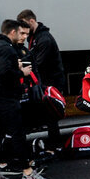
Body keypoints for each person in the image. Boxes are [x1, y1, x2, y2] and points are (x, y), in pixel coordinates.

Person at [0, 19, 50, 179]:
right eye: (20, 33)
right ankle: (27, 172)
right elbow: (5, 72)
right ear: (12, 32)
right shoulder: (8, 49)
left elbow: (0, 69)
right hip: (6, 98)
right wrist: (22, 72)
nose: (23, 37)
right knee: (18, 135)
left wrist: (15, 66)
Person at [17, 9, 65, 149]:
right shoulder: (37, 37)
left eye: (25, 25)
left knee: (51, 115)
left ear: (32, 21)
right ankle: (53, 145)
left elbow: (38, 62)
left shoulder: (44, 39)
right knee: (49, 115)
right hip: (46, 81)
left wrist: (22, 67)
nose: (24, 30)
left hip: (52, 82)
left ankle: (55, 145)